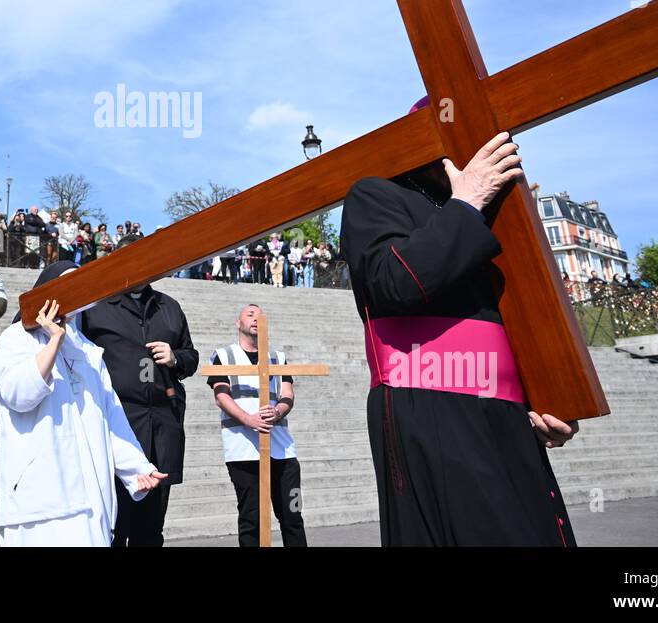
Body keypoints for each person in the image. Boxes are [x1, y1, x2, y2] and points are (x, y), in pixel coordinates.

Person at [340, 116, 579, 547]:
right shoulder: (376, 193)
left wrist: (547, 400)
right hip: (431, 400)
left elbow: (515, 314)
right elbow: (392, 282)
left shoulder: (497, 215)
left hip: (507, 416)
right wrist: (467, 201)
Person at [0, 261, 168, 546]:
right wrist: (54, 341)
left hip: (90, 495)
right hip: (41, 498)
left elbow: (110, 416)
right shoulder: (17, 338)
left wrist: (136, 467)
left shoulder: (89, 352)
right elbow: (19, 394)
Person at [81, 281, 198, 546]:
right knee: (115, 524)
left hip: (162, 425)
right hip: (118, 424)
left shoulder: (168, 306)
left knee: (151, 527)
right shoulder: (96, 306)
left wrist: (175, 357)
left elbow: (191, 356)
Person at [207, 304, 307, 547]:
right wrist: (248, 419)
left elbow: (287, 394)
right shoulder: (224, 355)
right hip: (243, 450)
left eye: (260, 315)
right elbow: (221, 395)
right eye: (250, 314)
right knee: (251, 518)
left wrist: (278, 410)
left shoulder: (278, 357)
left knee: (292, 516)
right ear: (238, 322)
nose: (255, 319)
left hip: (281, 450)